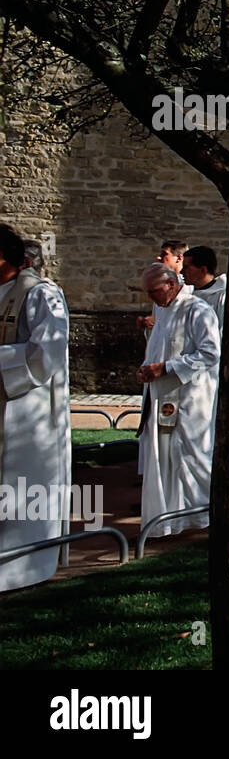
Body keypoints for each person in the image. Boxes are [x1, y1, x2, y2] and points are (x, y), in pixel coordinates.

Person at [0, 224, 71, 593]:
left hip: (25, 414)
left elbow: (47, 353)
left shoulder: (42, 294)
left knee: (20, 491)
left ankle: (22, 566)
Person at [136, 263, 221, 537]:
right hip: (162, 396)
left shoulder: (197, 310)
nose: (151, 298)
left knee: (191, 456)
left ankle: (201, 517)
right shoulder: (163, 310)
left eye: (154, 291)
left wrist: (167, 368)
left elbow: (210, 353)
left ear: (171, 284)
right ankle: (167, 519)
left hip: (191, 399)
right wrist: (148, 367)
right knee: (163, 456)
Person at [137, 240, 191, 333]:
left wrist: (159, 322)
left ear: (179, 258)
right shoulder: (160, 282)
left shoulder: (188, 288)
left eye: (164, 254)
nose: (158, 257)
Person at [181, 245, 227, 333]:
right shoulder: (187, 295)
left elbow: (221, 331)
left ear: (203, 270)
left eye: (186, 267)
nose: (182, 271)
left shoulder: (221, 296)